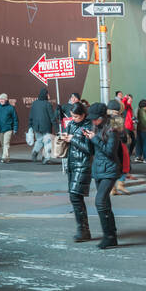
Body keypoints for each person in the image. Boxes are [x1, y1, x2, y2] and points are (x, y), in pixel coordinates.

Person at [83, 102, 121, 247]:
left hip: (110, 170)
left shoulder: (112, 130)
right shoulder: (95, 127)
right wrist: (88, 139)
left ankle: (109, 236)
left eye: (95, 118)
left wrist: (95, 139)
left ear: (103, 117)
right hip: (98, 169)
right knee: (105, 203)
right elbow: (94, 151)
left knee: (100, 201)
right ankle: (112, 235)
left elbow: (110, 151)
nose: (93, 121)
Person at [56, 101, 94, 241]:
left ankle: (83, 230)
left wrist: (72, 140)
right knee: (75, 197)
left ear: (83, 115)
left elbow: (89, 149)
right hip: (72, 164)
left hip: (83, 164)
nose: (73, 119)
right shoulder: (71, 124)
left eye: (76, 116)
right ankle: (83, 230)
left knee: (75, 196)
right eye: (72, 116)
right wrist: (65, 138)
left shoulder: (89, 126)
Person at [29, 87, 58, 162]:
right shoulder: (48, 104)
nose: (48, 96)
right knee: (47, 142)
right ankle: (46, 158)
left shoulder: (34, 103)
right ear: (46, 95)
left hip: (36, 127)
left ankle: (34, 152)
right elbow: (52, 118)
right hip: (46, 127)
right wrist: (57, 129)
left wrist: (30, 126)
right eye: (48, 94)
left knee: (39, 140)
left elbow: (31, 115)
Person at [0, 93, 19, 163]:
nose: (1, 100)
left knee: (6, 143)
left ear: (6, 100)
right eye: (0, 99)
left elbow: (15, 119)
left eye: (3, 99)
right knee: (2, 144)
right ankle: (7, 157)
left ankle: (4, 157)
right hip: (0, 129)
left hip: (8, 129)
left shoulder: (11, 108)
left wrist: (15, 128)